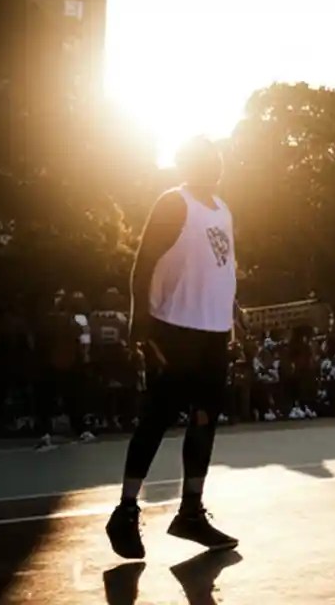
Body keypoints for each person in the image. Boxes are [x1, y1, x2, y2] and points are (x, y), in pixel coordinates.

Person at [106, 136, 246, 559]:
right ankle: (126, 512)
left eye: (217, 157)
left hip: (212, 333)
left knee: (204, 421)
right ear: (188, 164)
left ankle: (190, 513)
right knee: (157, 419)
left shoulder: (223, 208)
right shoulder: (173, 202)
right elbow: (143, 263)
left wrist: (233, 312)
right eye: (205, 158)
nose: (214, 164)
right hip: (173, 329)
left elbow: (222, 267)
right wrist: (139, 325)